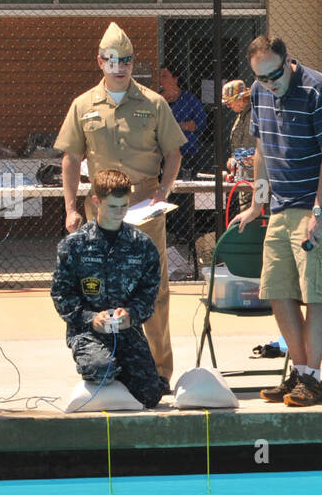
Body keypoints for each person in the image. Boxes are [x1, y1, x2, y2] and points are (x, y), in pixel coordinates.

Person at [55, 22, 186, 392]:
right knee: (96, 290)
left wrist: (163, 190)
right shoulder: (83, 105)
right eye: (112, 60)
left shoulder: (153, 103)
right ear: (100, 61)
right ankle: (104, 365)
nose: (119, 66)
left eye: (126, 60)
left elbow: (173, 152)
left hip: (144, 203)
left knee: (154, 290)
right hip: (100, 205)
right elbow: (69, 159)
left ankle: (160, 372)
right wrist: (70, 208)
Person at [231, 35, 322, 408]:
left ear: (288, 62)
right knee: (278, 290)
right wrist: (258, 203)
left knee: (316, 291)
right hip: (282, 206)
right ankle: (300, 374)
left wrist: (319, 211)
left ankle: (313, 377)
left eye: (274, 75)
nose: (270, 84)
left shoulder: (320, 91)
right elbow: (261, 150)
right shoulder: (259, 91)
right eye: (262, 78)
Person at [51, 169, 165, 408]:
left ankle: (124, 372)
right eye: (113, 207)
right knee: (101, 369)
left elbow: (148, 293)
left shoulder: (141, 245)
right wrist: (91, 318)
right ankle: (106, 369)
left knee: (150, 395)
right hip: (87, 331)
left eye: (124, 206)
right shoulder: (75, 245)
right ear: (96, 201)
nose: (120, 213)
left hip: (126, 330)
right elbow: (61, 293)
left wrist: (131, 314)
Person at [157, 65, 211, 241]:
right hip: (161, 156)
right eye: (160, 76)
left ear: (175, 78)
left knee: (184, 194)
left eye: (165, 76)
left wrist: (180, 126)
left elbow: (201, 122)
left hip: (187, 154)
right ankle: (164, 232)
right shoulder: (157, 100)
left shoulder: (188, 99)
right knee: (162, 192)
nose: (161, 79)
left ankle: (183, 234)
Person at [222, 78, 256, 218]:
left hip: (254, 179)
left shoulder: (252, 116)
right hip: (245, 177)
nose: (229, 106)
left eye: (230, 102)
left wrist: (234, 161)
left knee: (253, 220)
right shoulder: (242, 116)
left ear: (241, 99)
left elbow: (255, 152)